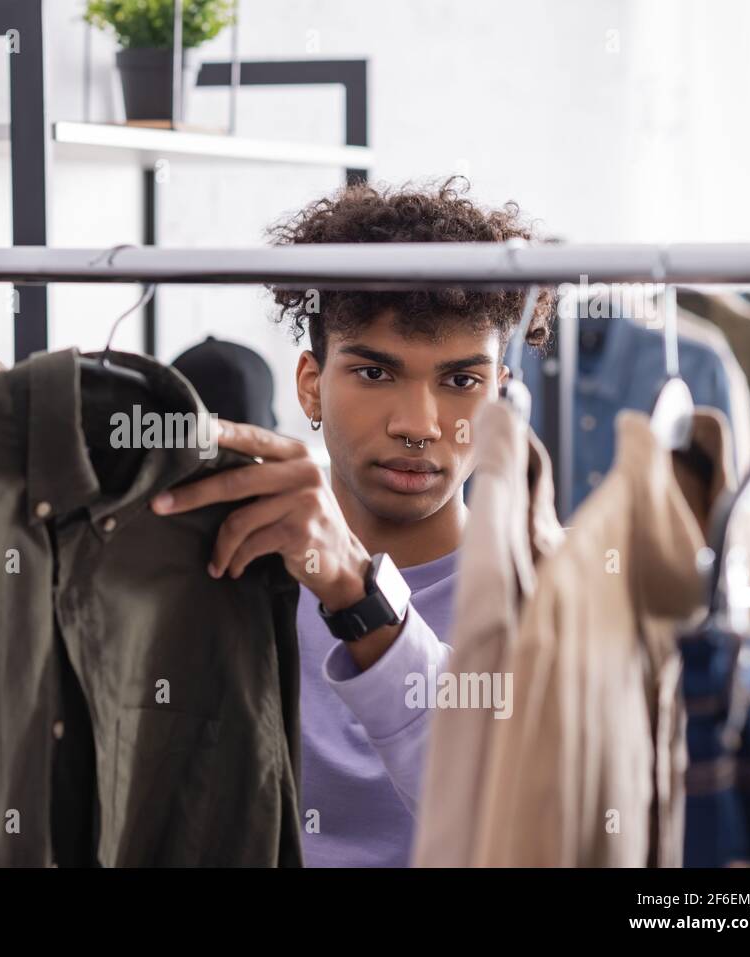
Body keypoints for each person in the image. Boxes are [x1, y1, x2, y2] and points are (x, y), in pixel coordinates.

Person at [150, 177, 552, 866]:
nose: (417, 424)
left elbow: (515, 820)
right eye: (374, 373)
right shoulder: (227, 566)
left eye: (461, 381)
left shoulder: (558, 588)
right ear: (310, 382)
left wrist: (358, 596)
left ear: (504, 399)